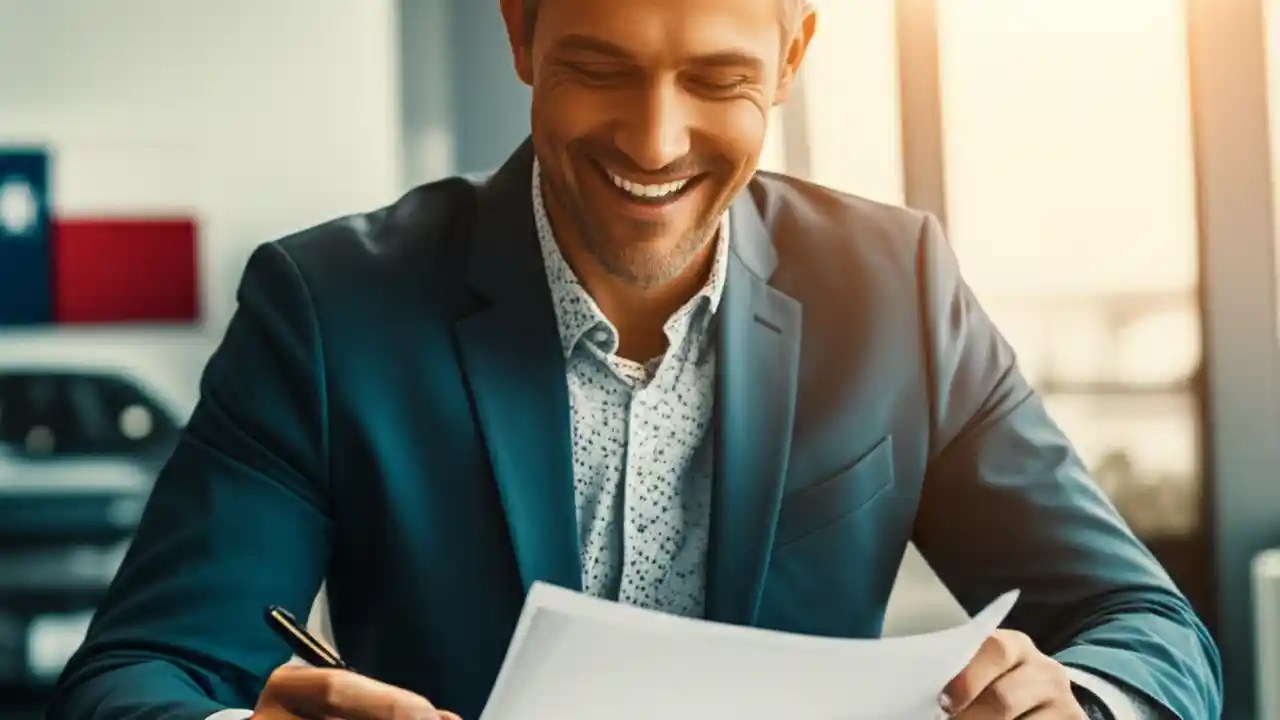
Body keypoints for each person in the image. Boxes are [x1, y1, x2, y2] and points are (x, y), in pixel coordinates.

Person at [50, 0, 1221, 718]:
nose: (653, 142)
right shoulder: (329, 309)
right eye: (600, 68)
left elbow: (1147, 630)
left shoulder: (895, 288)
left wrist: (1079, 699)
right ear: (519, 29)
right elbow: (134, 677)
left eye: (716, 80)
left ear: (793, 49)